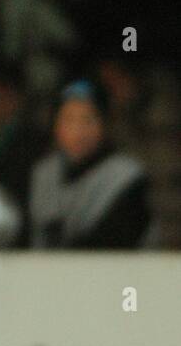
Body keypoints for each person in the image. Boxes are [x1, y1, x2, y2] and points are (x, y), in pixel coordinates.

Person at [28, 80, 152, 249]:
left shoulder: (127, 176)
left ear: (106, 124)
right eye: (68, 119)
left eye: (88, 120)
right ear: (55, 126)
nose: (78, 132)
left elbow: (115, 245)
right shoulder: (43, 173)